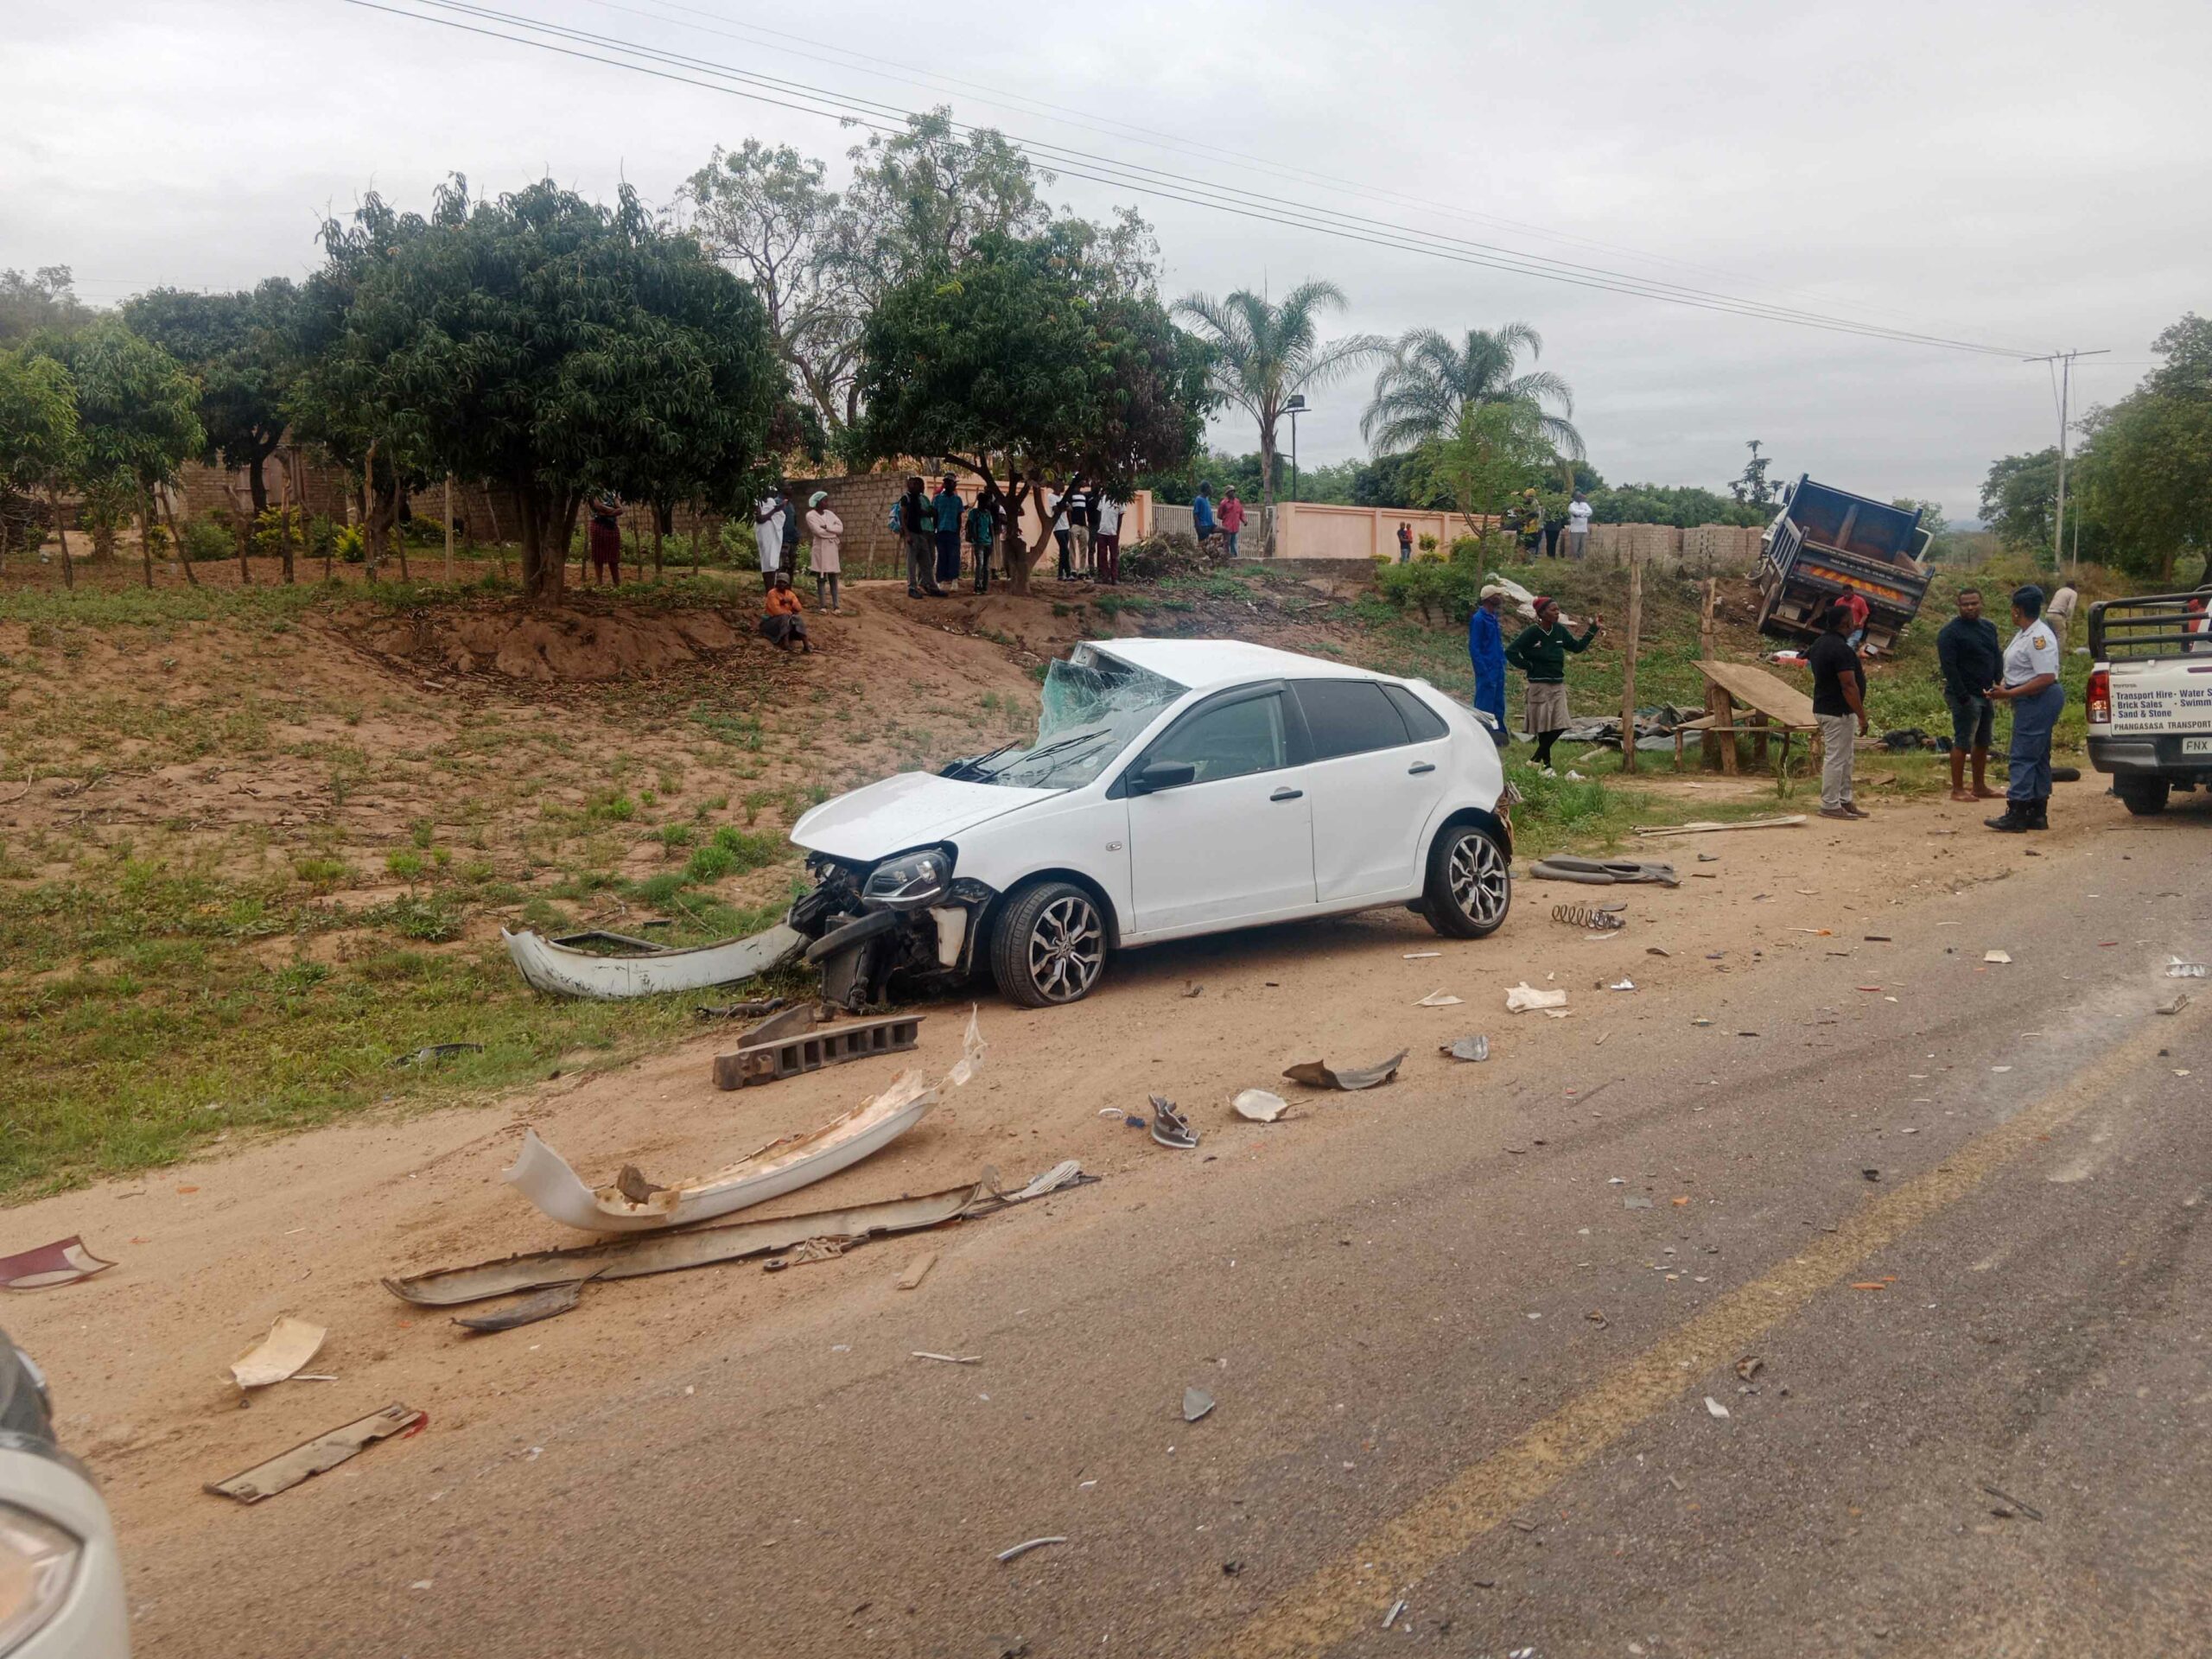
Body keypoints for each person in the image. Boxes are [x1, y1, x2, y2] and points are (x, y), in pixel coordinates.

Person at [1985, 584, 2064, 833]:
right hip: (2029, 696)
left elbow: (2045, 677)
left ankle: (2017, 812)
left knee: (2023, 755)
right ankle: (2037, 812)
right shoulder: (2025, 633)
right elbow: (2023, 670)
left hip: (2038, 698)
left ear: (2017, 610)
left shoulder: (2039, 638)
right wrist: (2004, 686)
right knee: (2038, 755)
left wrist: (2009, 693)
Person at [1504, 595, 1601, 772]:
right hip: (1539, 685)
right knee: (1544, 727)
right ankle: (1547, 766)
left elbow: (1577, 647)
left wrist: (1593, 629)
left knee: (1561, 724)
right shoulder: (1532, 633)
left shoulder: (1559, 631)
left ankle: (1535, 759)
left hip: (1557, 684)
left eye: (1558, 610)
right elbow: (1511, 651)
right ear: (1541, 613)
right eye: (1553, 610)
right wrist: (1528, 666)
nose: (1557, 613)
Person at [1936, 587, 2002, 802]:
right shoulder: (1949, 633)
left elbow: (1996, 654)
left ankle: (1979, 786)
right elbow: (1949, 667)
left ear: (1981, 603)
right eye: (1966, 604)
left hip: (1986, 693)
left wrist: (1998, 680)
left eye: (1974, 603)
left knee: (1982, 741)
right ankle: (1957, 789)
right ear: (1959, 606)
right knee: (1963, 740)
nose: (1971, 607)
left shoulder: (1989, 628)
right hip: (1964, 695)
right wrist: (1962, 695)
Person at [1808, 601, 1869, 822]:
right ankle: (1830, 804)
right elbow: (1848, 685)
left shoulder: (1820, 643)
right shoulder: (1840, 649)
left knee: (1846, 757)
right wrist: (1861, 716)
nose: (1855, 624)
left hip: (1826, 707)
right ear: (1846, 623)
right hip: (1838, 711)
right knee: (1836, 757)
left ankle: (1844, 799)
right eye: (1852, 620)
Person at [1467, 584, 1510, 743]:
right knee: (1484, 704)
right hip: (1487, 668)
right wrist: (1482, 670)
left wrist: (1502, 662)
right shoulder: (1479, 619)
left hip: (1497, 667)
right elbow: (1474, 647)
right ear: (1489, 598)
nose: (1500, 597)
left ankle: (1499, 734)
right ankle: (1482, 736)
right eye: (1497, 595)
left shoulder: (1493, 617)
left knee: (1498, 702)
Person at [891, 475, 943, 598]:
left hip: (921, 533)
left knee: (927, 562)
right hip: (912, 534)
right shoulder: (906, 498)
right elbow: (903, 518)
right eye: (917, 484)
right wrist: (907, 534)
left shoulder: (919, 499)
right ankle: (912, 587)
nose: (920, 487)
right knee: (912, 562)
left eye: (918, 484)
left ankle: (931, 586)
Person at [804, 491, 843, 613]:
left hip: (832, 548)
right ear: (818, 502)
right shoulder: (810, 515)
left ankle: (836, 605)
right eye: (825, 500)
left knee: (833, 576)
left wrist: (828, 528)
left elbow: (840, 528)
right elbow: (818, 532)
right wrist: (832, 532)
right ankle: (823, 605)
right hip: (820, 548)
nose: (827, 503)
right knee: (821, 577)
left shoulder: (830, 514)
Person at [760, 570, 811, 652]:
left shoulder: (790, 594)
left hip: (785, 623)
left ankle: (806, 645)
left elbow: (799, 608)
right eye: (779, 582)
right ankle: (786, 643)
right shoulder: (772, 593)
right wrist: (788, 610)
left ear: (787, 584)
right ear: (776, 583)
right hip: (770, 624)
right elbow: (776, 611)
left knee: (797, 618)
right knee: (785, 617)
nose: (781, 584)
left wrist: (791, 602)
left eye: (783, 582)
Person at [932, 474, 965, 588]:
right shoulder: (937, 499)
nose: (953, 485)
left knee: (954, 556)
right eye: (950, 483)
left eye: (953, 483)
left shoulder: (958, 500)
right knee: (942, 556)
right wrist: (934, 530)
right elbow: (935, 516)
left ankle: (954, 581)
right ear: (946, 484)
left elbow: (959, 517)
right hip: (941, 531)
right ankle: (940, 581)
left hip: (953, 532)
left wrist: (958, 532)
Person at [753, 486, 787, 589]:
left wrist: (773, 513)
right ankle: (769, 591)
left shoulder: (771, 501)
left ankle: (772, 591)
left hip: (773, 534)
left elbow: (779, 517)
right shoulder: (756, 502)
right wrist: (774, 511)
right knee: (767, 561)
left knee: (773, 562)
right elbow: (760, 519)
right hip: (764, 534)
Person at [968, 486, 999, 594]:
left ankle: (984, 587)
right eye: (987, 502)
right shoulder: (974, 513)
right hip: (979, 542)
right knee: (980, 564)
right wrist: (975, 538)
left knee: (985, 566)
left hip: (987, 542)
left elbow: (990, 528)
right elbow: (970, 526)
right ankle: (977, 586)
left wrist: (992, 542)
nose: (989, 504)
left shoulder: (988, 514)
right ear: (983, 502)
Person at [586, 495, 622, 587]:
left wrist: (606, 511)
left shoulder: (614, 493)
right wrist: (613, 510)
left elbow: (620, 510)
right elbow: (597, 506)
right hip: (598, 526)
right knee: (598, 556)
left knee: (614, 556)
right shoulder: (595, 492)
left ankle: (617, 583)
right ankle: (599, 582)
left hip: (612, 526)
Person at [1094, 489, 1123, 585]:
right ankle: (1105, 576)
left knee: (1114, 556)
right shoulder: (1103, 499)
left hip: (1113, 533)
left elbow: (1120, 517)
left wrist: (1117, 532)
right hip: (1102, 532)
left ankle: (1114, 578)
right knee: (1102, 555)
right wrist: (1099, 528)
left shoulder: (1120, 500)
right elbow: (1099, 514)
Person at [1838, 588, 1871, 652]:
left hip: (1855, 630)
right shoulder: (1839, 601)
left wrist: (1859, 624)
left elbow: (1865, 614)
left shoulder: (1860, 601)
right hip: (1842, 629)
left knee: (1848, 647)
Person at [1566, 489, 1592, 561]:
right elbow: (1574, 512)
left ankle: (1582, 561)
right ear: (1575, 497)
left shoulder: (1585, 504)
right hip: (1575, 530)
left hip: (1583, 529)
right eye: (1579, 496)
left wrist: (1580, 514)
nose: (1580, 497)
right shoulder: (1571, 505)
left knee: (1582, 547)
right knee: (1575, 547)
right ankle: (1575, 561)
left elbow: (1590, 512)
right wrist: (1584, 513)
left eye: (1581, 496)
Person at [1219, 488, 1246, 556]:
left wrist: (1244, 520)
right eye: (1231, 492)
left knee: (1234, 543)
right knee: (1226, 543)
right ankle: (1226, 558)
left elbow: (1241, 513)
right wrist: (1227, 518)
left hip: (1235, 527)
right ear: (1227, 493)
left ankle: (1235, 557)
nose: (1233, 493)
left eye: (1233, 491)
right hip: (1227, 527)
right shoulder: (1223, 503)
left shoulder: (1237, 502)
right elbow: (1219, 515)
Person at [1192, 481, 1217, 550]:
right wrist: (1199, 528)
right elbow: (1195, 514)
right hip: (1203, 526)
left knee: (1225, 531)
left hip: (1210, 525)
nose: (1212, 490)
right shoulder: (1199, 499)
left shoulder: (1207, 499)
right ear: (1206, 489)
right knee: (1203, 546)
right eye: (1210, 488)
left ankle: (1226, 552)